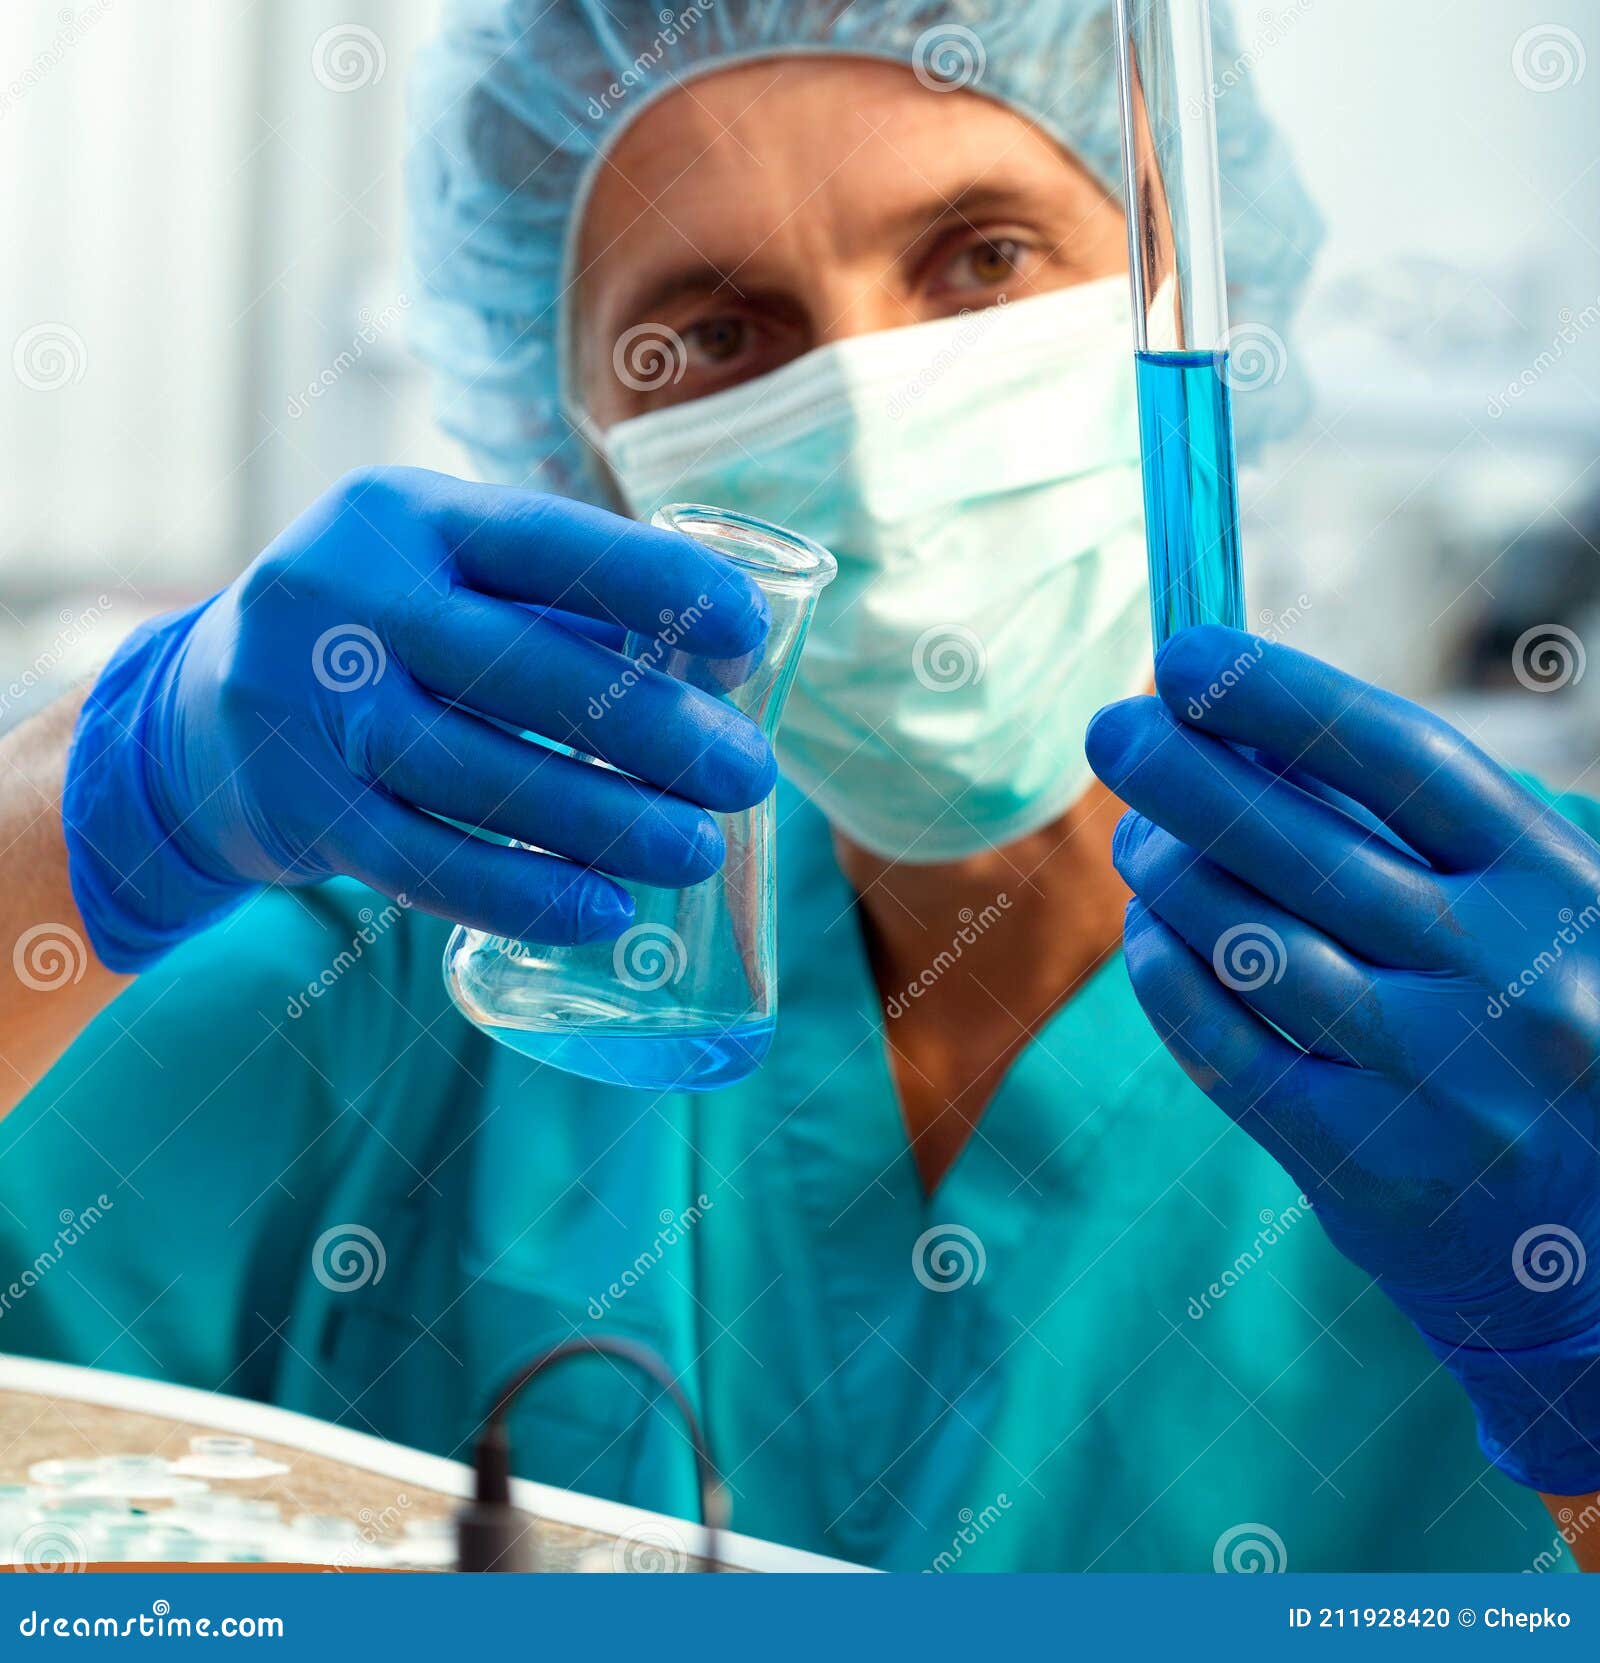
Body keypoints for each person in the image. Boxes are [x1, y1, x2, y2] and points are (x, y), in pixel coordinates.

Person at [1, 0, 1597, 1573]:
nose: (870, 419)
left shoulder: (1539, 1005)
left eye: (982, 256)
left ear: (1179, 308)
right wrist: (104, 791)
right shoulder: (392, 984)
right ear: (578, 448)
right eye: (715, 332)